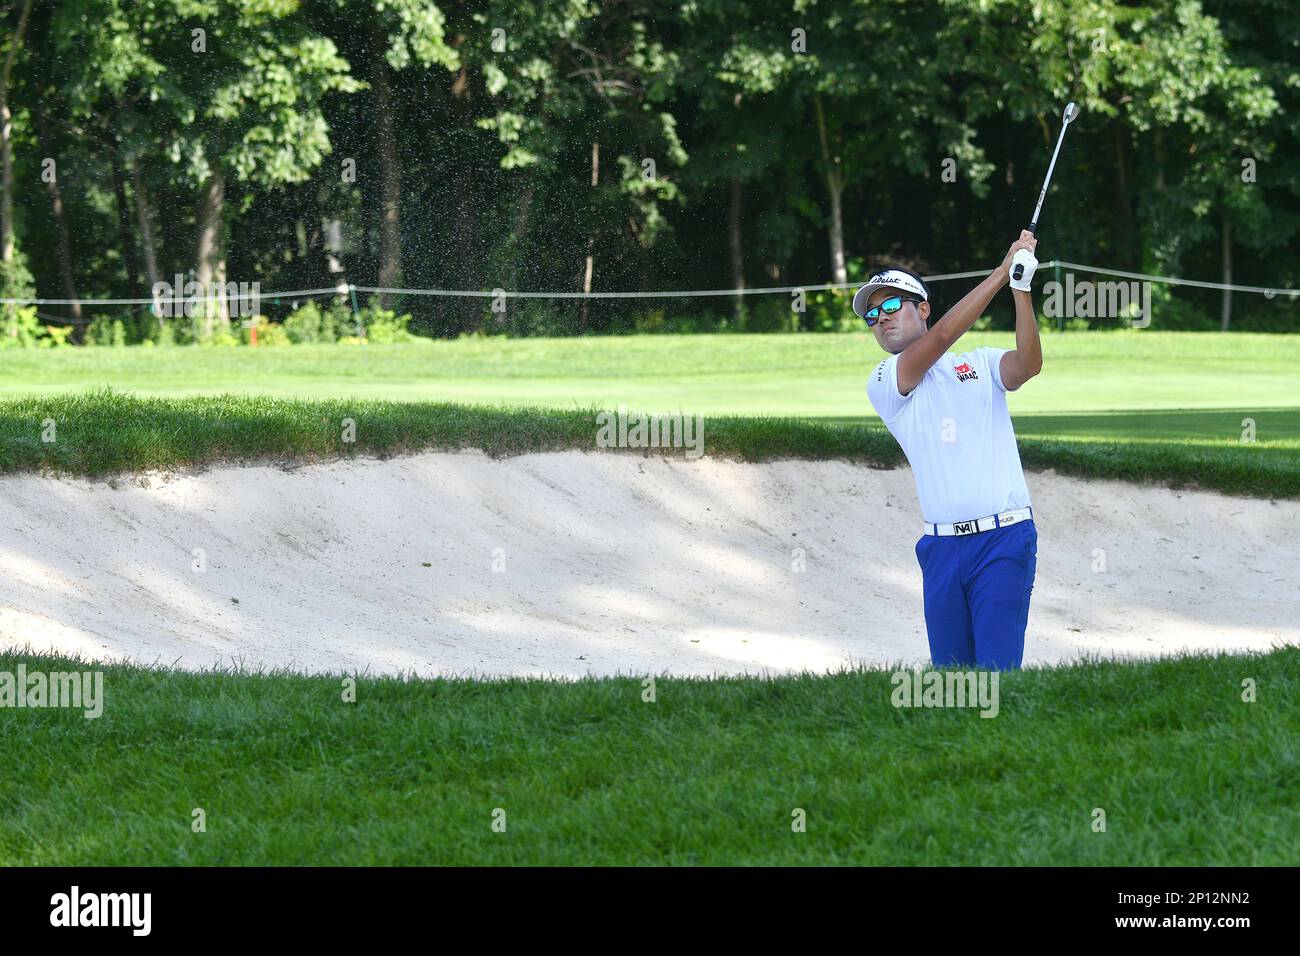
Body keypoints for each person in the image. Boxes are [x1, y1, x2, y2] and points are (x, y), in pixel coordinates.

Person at [854, 231, 1042, 669]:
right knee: (952, 680)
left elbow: (1027, 365)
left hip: (1004, 539)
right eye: (871, 315)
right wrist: (1000, 272)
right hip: (941, 551)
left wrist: (1020, 290)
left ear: (922, 308)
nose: (880, 318)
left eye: (889, 306)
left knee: (998, 676)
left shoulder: (979, 363)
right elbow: (938, 340)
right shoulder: (885, 381)